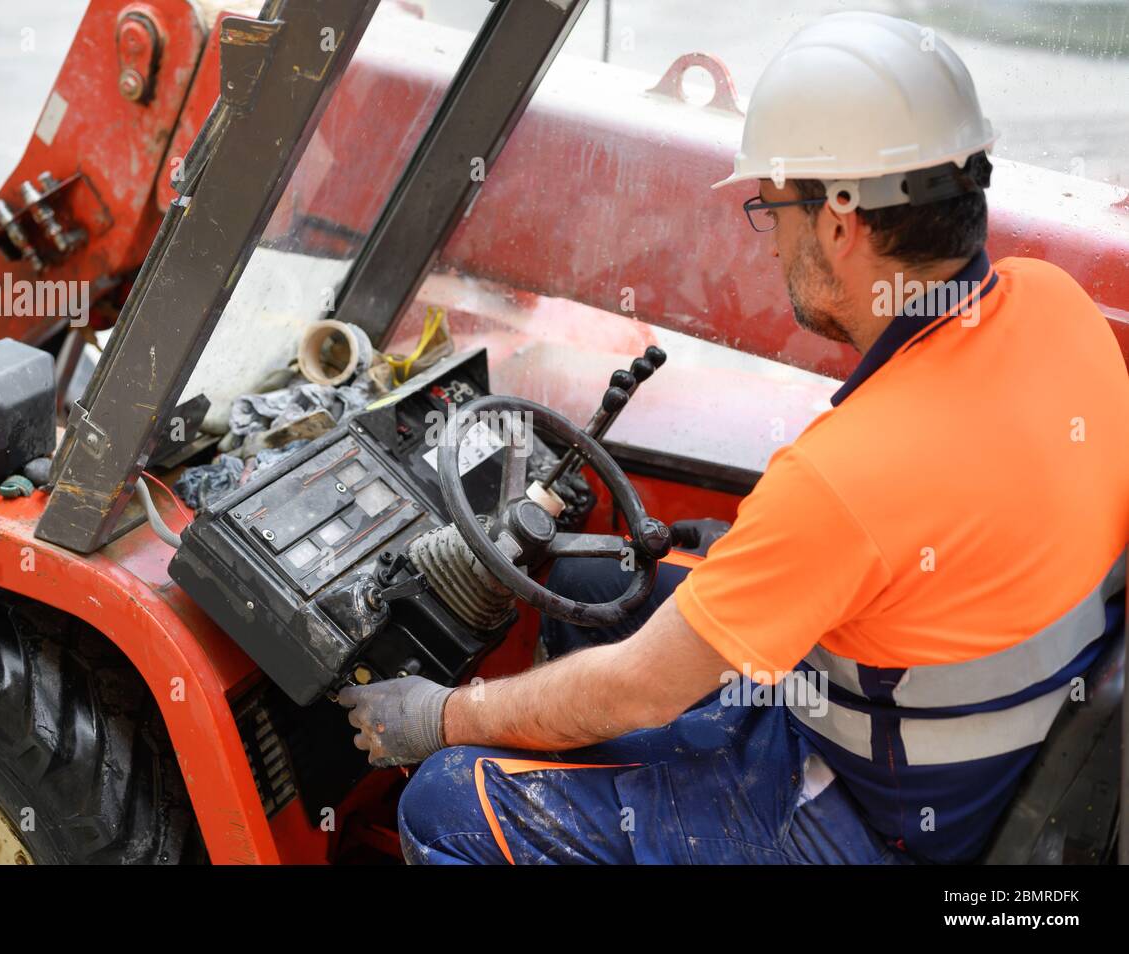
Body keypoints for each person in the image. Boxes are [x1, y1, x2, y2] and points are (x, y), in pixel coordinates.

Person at [338, 10, 1129, 865]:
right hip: (962, 753)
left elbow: (642, 689)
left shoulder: (845, 480)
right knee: (580, 575)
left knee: (445, 804)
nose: (771, 241)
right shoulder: (1056, 305)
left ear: (838, 222)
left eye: (771, 208)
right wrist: (779, 563)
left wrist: (441, 717)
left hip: (865, 820)